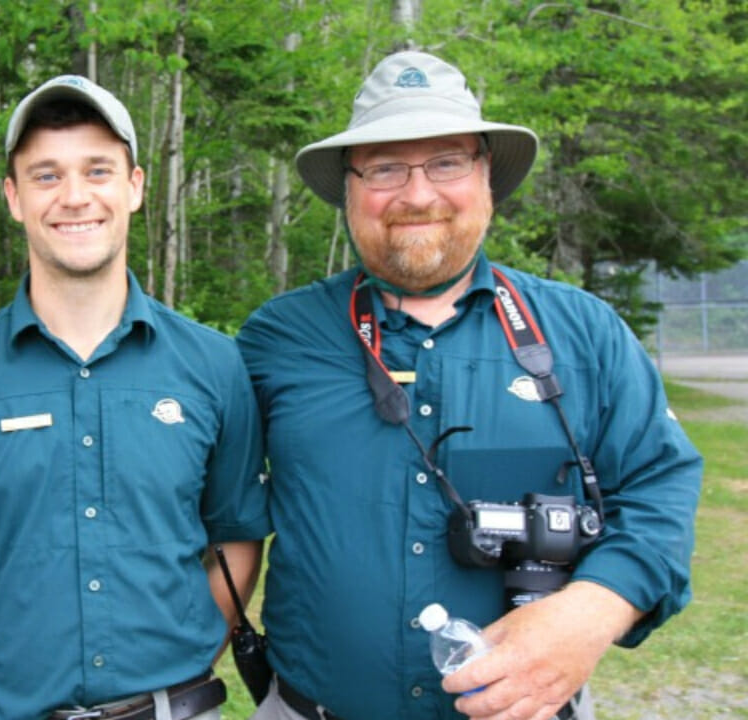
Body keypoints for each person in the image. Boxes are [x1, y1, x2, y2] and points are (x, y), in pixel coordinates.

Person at [237, 51, 702, 720]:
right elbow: (187, 495)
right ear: (348, 188)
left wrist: (594, 609)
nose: (417, 194)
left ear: (486, 177)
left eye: (447, 162)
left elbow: (661, 487)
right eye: (386, 167)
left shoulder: (584, 332)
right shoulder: (276, 339)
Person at [0, 75, 270, 720]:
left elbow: (236, 540)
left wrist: (187, 662)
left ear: (135, 186)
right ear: (12, 196)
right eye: (46, 176)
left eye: (97, 170)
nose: (75, 197)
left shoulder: (213, 364)